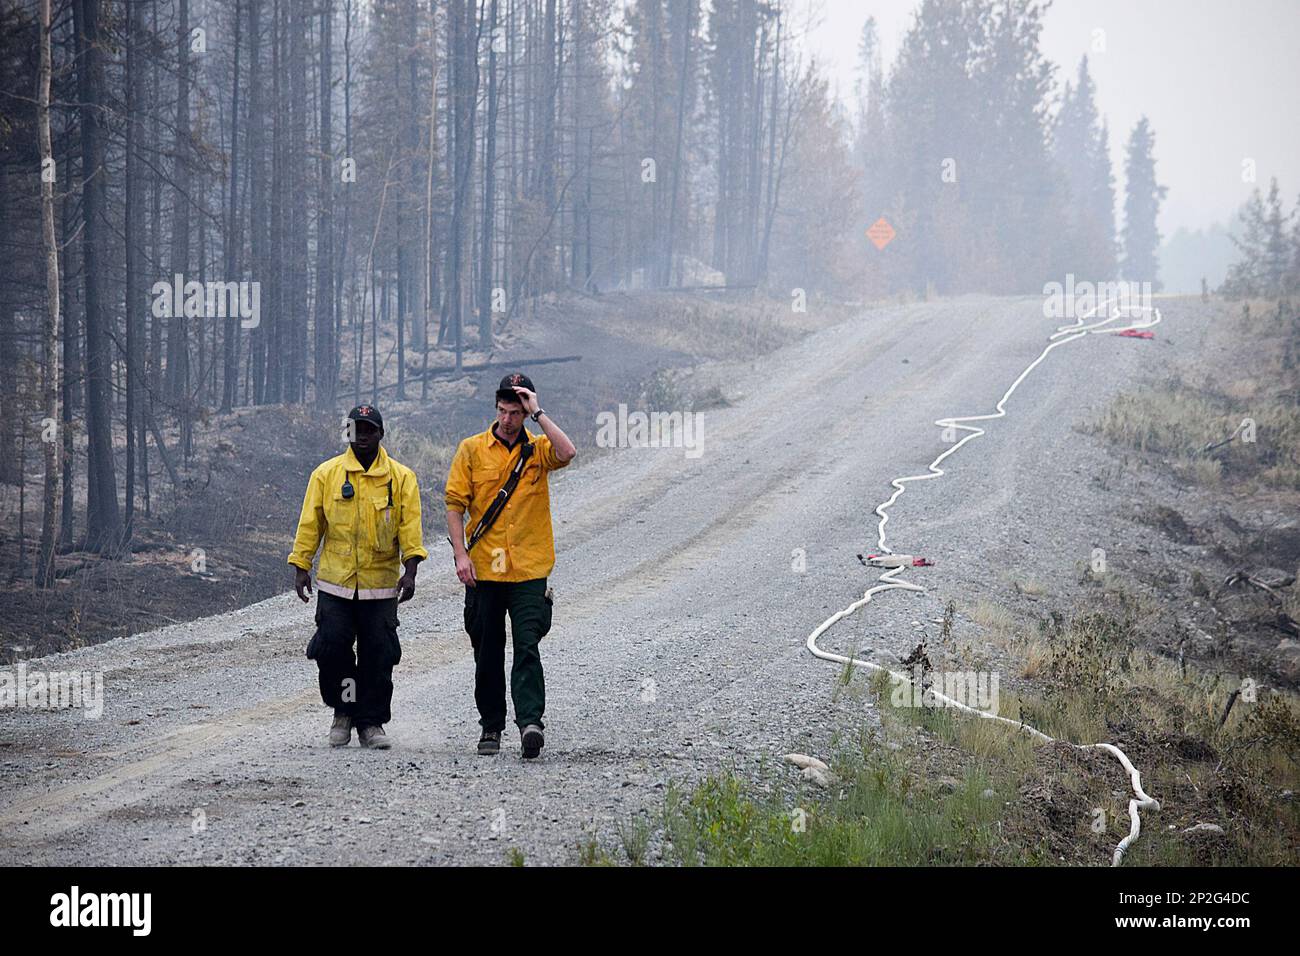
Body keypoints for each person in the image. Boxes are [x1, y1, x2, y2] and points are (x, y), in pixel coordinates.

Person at [445, 373, 577, 758]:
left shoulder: (538, 450)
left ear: (525, 413)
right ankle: (491, 727)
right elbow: (454, 505)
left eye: (516, 412)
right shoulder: (471, 450)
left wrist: (539, 412)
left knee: (527, 647)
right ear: (495, 410)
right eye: (503, 411)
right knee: (487, 650)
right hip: (485, 570)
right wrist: (460, 556)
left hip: (528, 570)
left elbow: (568, 452)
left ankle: (530, 723)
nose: (507, 419)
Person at [289, 404, 427, 749]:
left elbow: (410, 530)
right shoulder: (327, 474)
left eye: (369, 429)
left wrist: (410, 572)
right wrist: (301, 566)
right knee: (332, 646)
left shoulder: (402, 478)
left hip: (380, 586)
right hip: (336, 584)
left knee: (379, 654)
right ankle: (343, 711)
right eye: (355, 429)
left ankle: (371, 723)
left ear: (381, 434)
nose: (362, 436)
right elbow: (311, 523)